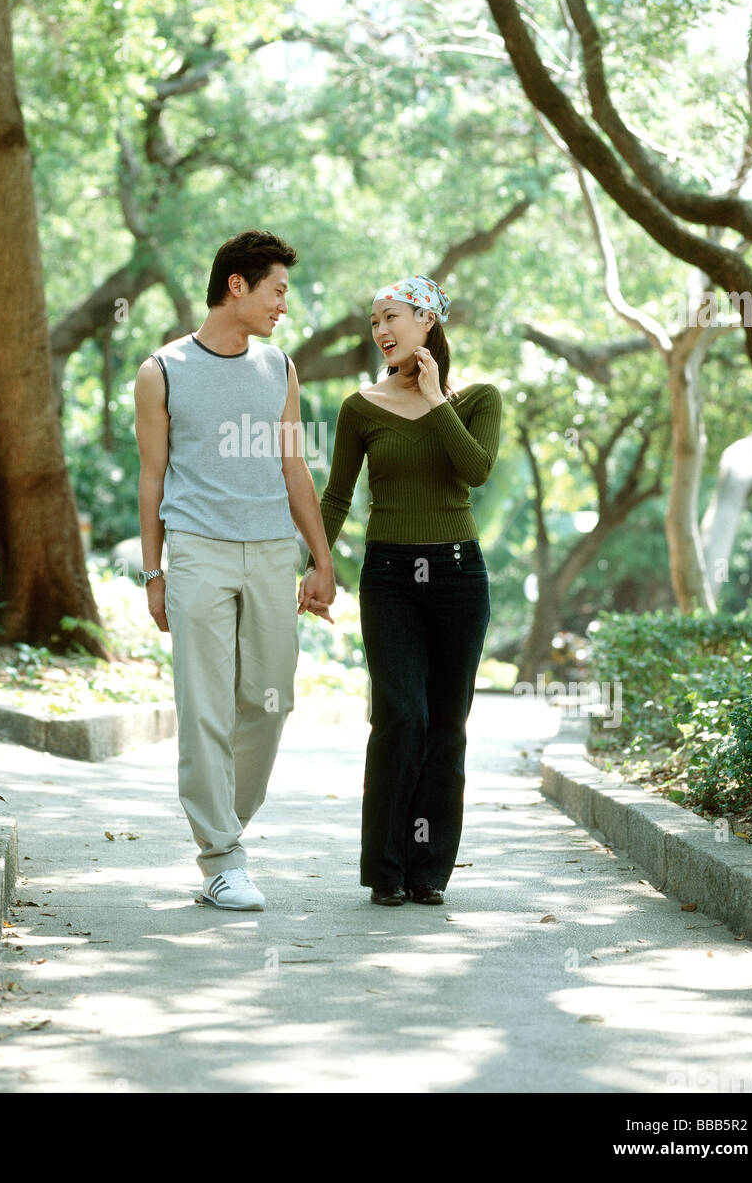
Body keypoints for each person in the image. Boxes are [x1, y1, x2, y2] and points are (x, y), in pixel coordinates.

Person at [133, 230, 335, 912]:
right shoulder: (162, 370)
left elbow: (293, 465)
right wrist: (153, 573)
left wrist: (322, 559)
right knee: (204, 707)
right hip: (196, 551)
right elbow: (152, 474)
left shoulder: (278, 367)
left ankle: (230, 828)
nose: (285, 304)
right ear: (238, 286)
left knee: (269, 700)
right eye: (278, 289)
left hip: (274, 551)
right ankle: (222, 857)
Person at [300, 275, 501, 907]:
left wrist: (438, 397)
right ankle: (385, 869)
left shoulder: (478, 398)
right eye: (374, 321)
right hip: (390, 577)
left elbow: (476, 471)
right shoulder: (361, 407)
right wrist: (315, 565)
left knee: (446, 723)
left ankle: (428, 871)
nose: (381, 330)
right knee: (400, 715)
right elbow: (336, 495)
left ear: (428, 322)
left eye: (392, 317)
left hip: (458, 575)